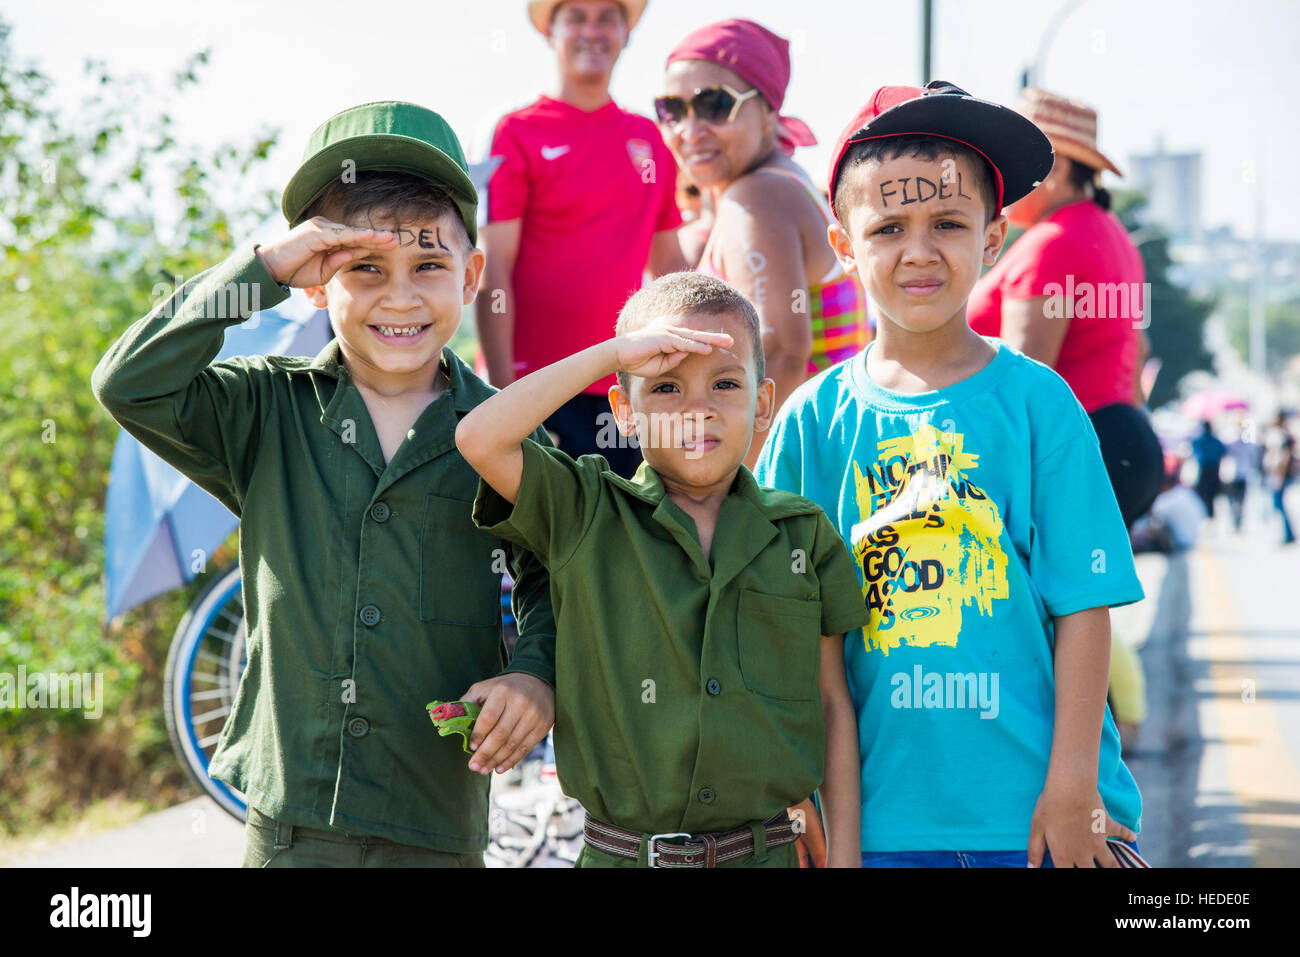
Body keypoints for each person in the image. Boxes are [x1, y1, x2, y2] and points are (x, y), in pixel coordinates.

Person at [92, 102, 557, 867]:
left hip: (437, 819)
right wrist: (260, 272)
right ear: (313, 281)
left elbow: (556, 571)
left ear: (472, 275)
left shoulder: (505, 428)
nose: (399, 297)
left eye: (429, 265)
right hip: (290, 822)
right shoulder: (262, 408)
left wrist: (536, 672)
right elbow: (130, 382)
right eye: (363, 267)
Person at [755, 81, 1145, 867]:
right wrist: (794, 791)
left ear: (993, 239)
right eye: (889, 226)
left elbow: (1085, 606)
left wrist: (1073, 785)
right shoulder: (810, 423)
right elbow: (780, 627)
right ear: (842, 246)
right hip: (877, 828)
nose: (920, 250)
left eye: (948, 223)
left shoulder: (1041, 405)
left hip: (1041, 823)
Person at [456, 272, 868, 868]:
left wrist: (847, 857)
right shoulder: (586, 512)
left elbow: (831, 702)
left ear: (763, 403)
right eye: (667, 387)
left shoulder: (802, 533)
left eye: (725, 383)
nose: (697, 409)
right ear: (623, 409)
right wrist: (614, 355)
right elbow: (480, 437)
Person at [477, 0, 685, 479]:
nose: (593, 31)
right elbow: (495, 270)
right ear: (551, 30)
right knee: (536, 550)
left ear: (626, 32)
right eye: (577, 17)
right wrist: (506, 399)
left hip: (629, 393)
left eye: (607, 17)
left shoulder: (649, 139)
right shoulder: (515, 131)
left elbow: (671, 270)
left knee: (622, 546)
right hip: (537, 390)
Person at [657, 18, 870, 469]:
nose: (689, 131)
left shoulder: (758, 195)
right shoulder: (782, 184)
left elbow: (779, 354)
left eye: (714, 104)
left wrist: (732, 493)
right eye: (672, 109)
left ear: (769, 111)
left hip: (792, 476)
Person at [968, 88, 1163, 530]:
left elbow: (1022, 380)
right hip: (1118, 447)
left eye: (1010, 161)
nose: (998, 176)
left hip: (1071, 459)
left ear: (1051, 168)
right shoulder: (1114, 236)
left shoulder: (1052, 244)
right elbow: (1138, 352)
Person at [1265, 411, 1297, 544]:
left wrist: (1280, 475)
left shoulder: (1282, 436)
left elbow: (1285, 457)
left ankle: (1288, 534)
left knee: (1278, 504)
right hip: (1277, 473)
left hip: (1280, 474)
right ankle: (1287, 533)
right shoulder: (1280, 435)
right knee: (1278, 504)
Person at [1191, 420, 1227, 518]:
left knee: (1205, 494)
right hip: (1212, 470)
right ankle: (1209, 514)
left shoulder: (1201, 441)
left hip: (1206, 470)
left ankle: (1207, 514)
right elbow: (1223, 452)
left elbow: (1194, 451)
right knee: (1210, 495)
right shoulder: (1214, 441)